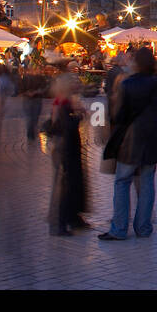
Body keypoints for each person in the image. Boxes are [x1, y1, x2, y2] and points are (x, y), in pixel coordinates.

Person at [100, 48, 157, 240]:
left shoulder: (129, 84)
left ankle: (119, 228)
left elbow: (120, 115)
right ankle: (143, 227)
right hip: (154, 139)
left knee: (122, 181)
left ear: (136, 63)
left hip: (131, 140)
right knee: (148, 182)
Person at [44, 74, 89, 235]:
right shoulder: (62, 102)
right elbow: (62, 125)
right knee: (63, 184)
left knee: (70, 182)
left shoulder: (66, 100)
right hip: (64, 145)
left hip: (68, 144)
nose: (77, 85)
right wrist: (78, 116)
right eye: (74, 83)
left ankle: (72, 217)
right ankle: (59, 222)